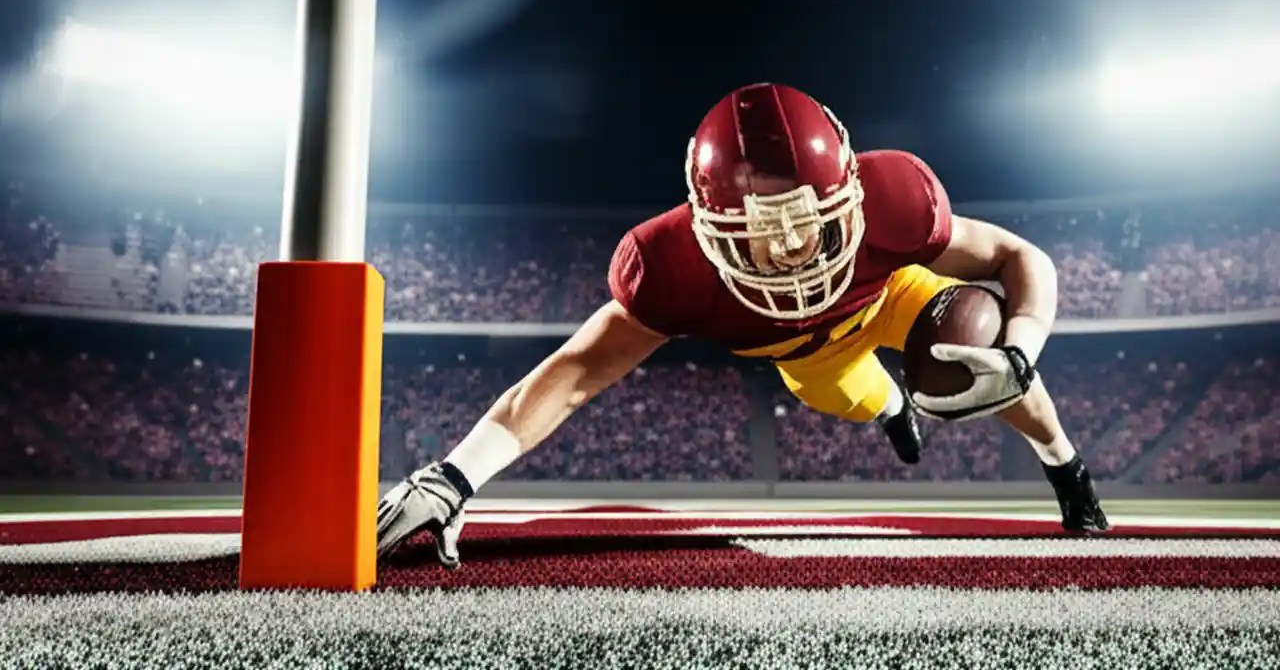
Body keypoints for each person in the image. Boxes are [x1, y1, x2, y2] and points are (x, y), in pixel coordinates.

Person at [376, 83, 1109, 568]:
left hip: (889, 297)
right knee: (851, 395)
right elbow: (571, 375)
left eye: (809, 221)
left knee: (988, 364)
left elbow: (1020, 256)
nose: (793, 246)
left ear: (849, 194)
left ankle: (1068, 471)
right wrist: (455, 474)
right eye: (768, 229)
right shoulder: (673, 270)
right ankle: (893, 408)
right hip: (803, 357)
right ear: (711, 226)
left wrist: (1021, 349)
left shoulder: (897, 207)